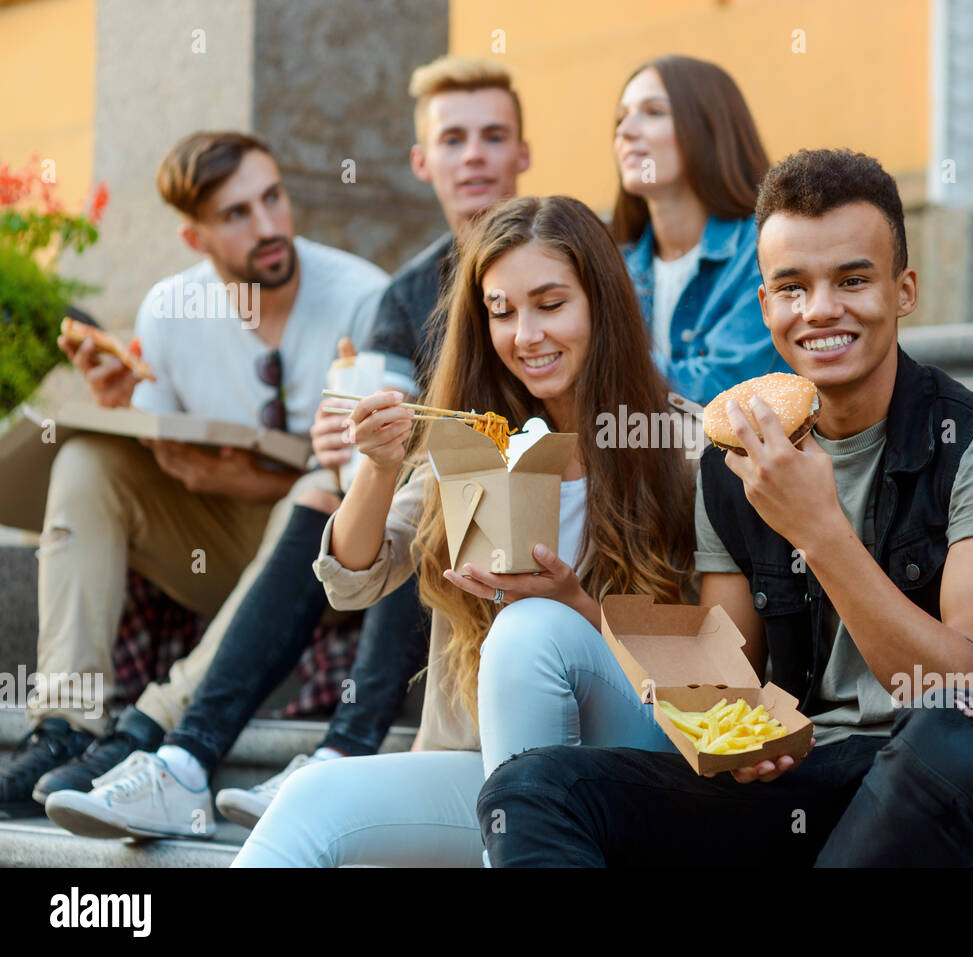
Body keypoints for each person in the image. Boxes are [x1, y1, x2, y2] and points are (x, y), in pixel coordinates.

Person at [474, 149, 973, 868]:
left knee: (951, 729)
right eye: (792, 287)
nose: (821, 309)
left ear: (904, 290)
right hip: (814, 782)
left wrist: (818, 526)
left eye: (852, 280)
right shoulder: (732, 458)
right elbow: (728, 677)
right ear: (766, 304)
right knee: (528, 788)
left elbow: (968, 682)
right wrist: (594, 618)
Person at [40, 56, 533, 838]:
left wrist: (355, 458)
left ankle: (243, 741)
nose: (267, 224)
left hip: (479, 521)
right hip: (322, 539)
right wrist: (129, 402)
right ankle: (111, 737)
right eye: (454, 139)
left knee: (378, 481)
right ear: (421, 161)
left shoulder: (373, 286)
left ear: (523, 152)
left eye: (492, 136)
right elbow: (350, 451)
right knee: (106, 460)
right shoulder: (402, 295)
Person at [230, 195, 697, 866]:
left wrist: (575, 608)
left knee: (529, 627)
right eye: (501, 311)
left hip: (637, 765)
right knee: (309, 799)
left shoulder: (679, 446)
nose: (525, 334)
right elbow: (352, 580)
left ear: (602, 302)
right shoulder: (477, 441)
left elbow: (711, 667)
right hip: (492, 773)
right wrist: (379, 467)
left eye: (550, 303)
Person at [0, 130, 388, 819]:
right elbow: (162, 448)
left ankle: (152, 725)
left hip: (334, 565)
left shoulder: (362, 296)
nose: (269, 226)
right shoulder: (170, 309)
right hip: (212, 550)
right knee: (91, 458)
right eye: (237, 214)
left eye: (273, 198)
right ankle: (65, 723)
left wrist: (240, 479)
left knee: (312, 489)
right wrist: (121, 405)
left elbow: (365, 486)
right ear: (194, 237)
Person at [613, 54, 788, 404]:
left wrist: (604, 363)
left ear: (710, 128)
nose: (625, 131)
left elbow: (726, 389)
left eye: (653, 112)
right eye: (621, 118)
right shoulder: (613, 264)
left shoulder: (766, 251)